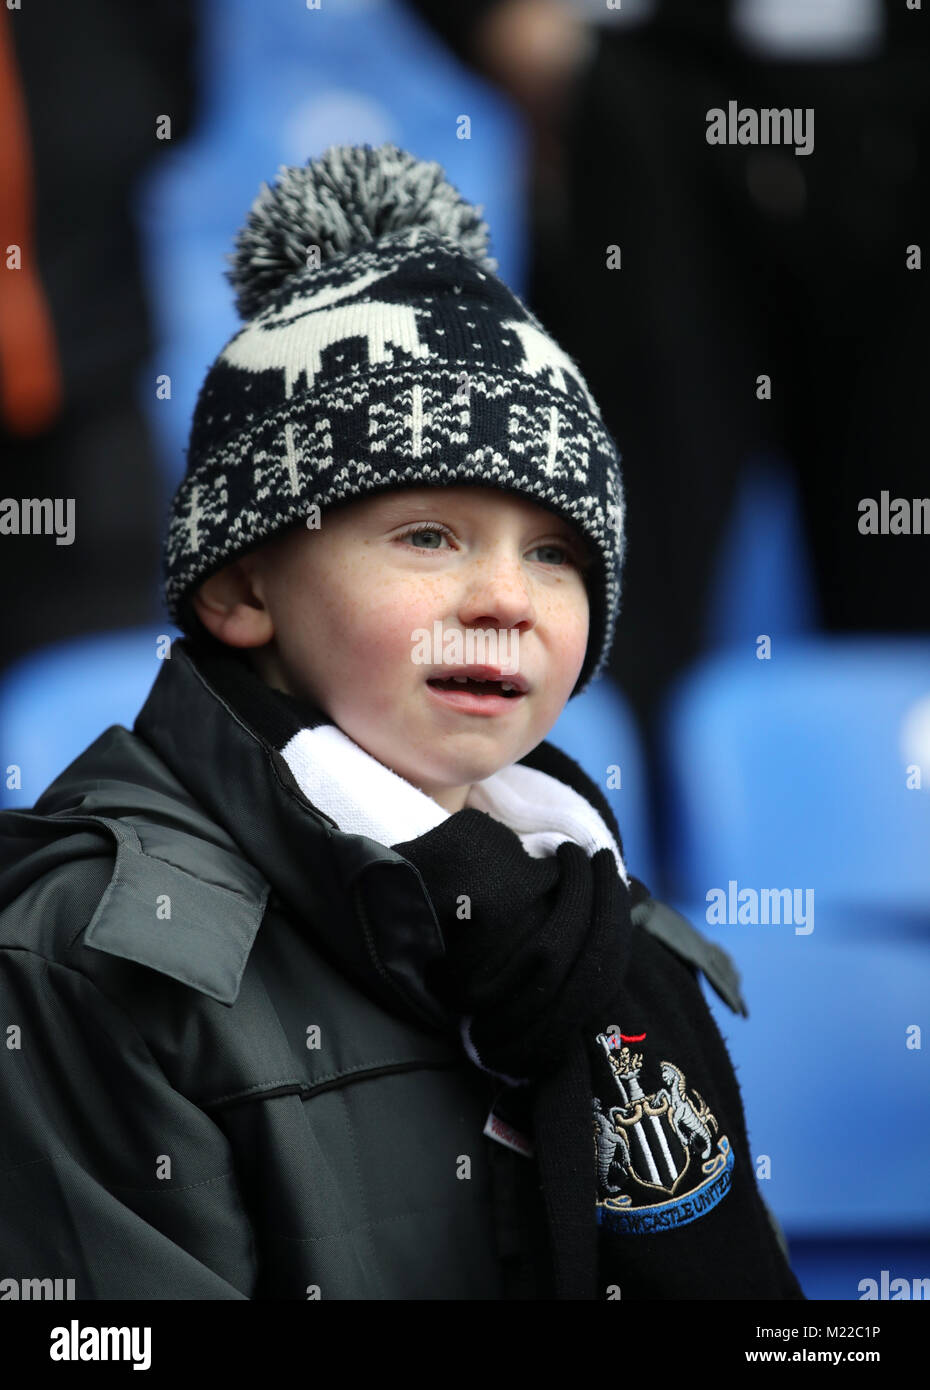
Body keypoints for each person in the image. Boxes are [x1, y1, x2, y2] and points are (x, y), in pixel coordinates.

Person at [0, 144, 803, 1300]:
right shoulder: (98, 958)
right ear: (240, 587)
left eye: (558, 555)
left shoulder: (610, 933)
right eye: (427, 536)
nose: (506, 600)